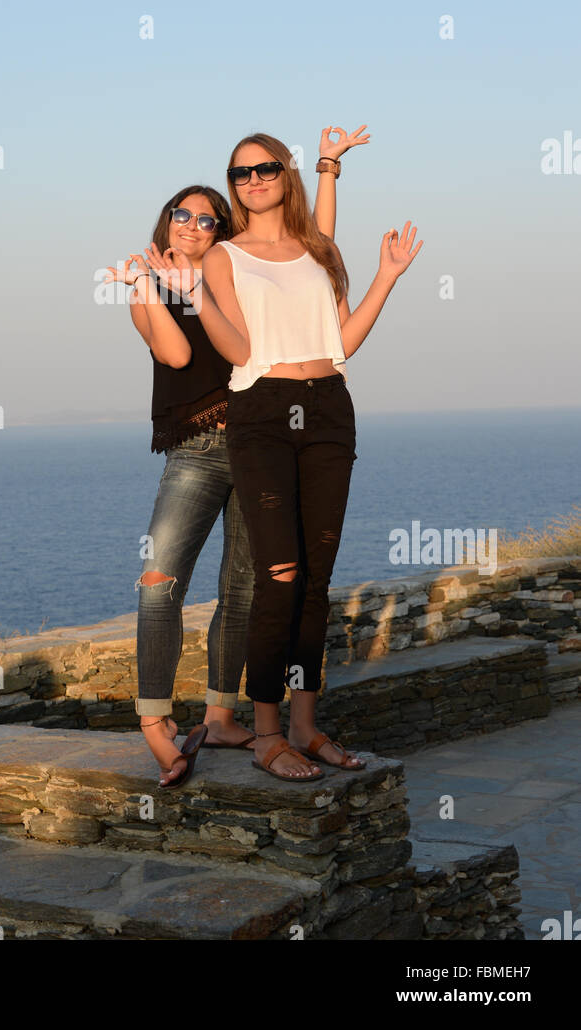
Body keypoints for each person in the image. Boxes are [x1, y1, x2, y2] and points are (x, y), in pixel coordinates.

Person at [145, 132, 421, 781]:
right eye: (240, 173)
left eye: (266, 168)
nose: (253, 179)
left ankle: (304, 724)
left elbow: (342, 339)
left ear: (285, 174)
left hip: (329, 406)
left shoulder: (318, 250)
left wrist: (385, 278)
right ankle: (265, 731)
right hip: (262, 413)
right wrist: (196, 297)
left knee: (316, 582)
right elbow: (239, 352)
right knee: (277, 576)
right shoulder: (223, 256)